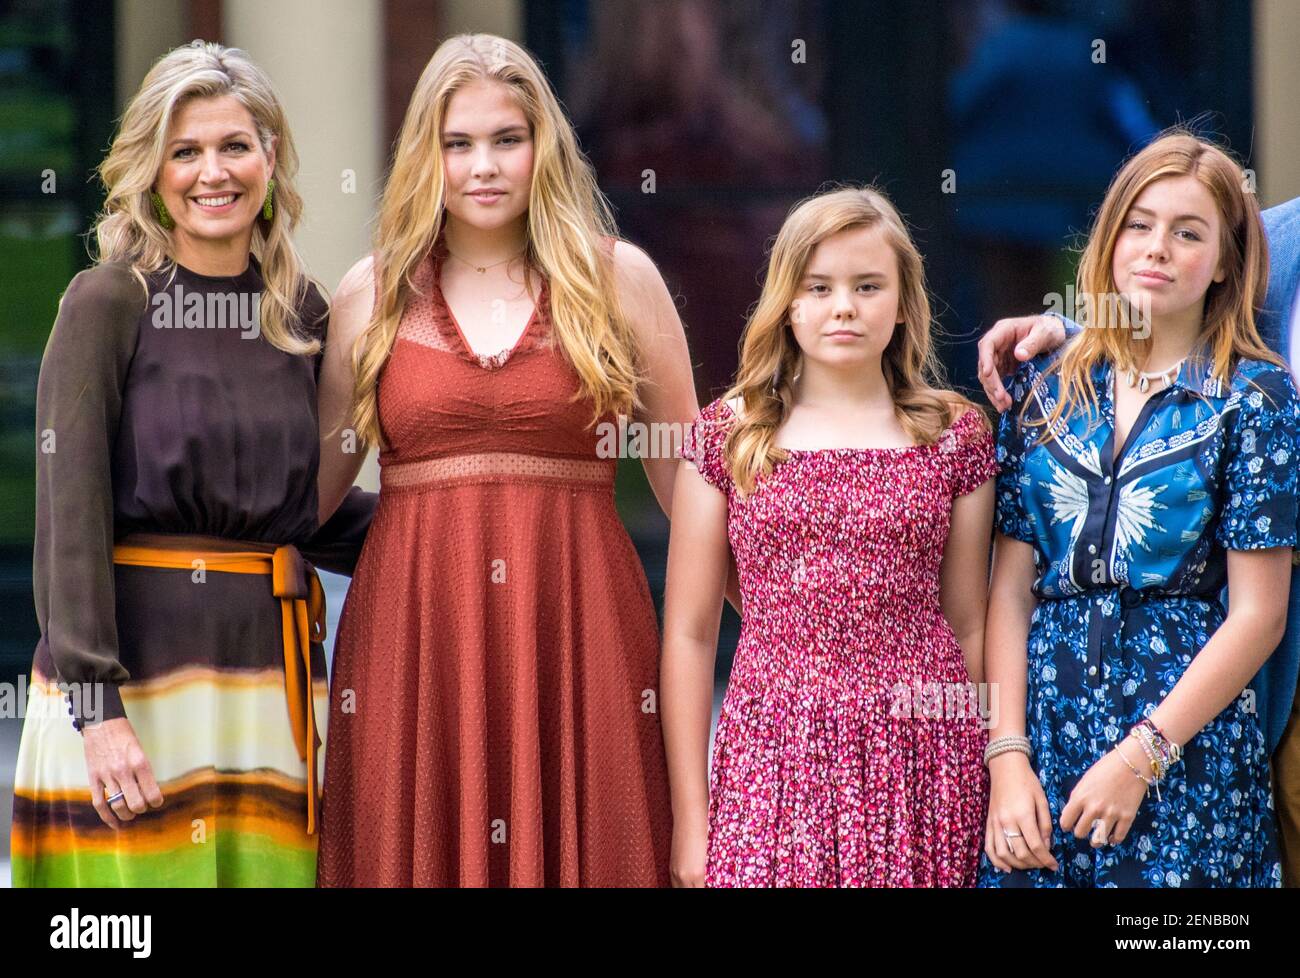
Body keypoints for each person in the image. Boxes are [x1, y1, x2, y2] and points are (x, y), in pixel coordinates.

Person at [313, 34, 712, 886]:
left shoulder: (619, 281)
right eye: (457, 143)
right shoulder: (369, 295)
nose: (482, 166)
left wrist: (791, 626)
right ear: (428, 153)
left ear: (545, 149)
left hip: (583, 629)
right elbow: (301, 499)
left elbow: (689, 483)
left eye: (507, 139)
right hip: (413, 641)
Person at [10, 41, 375, 887]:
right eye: (186, 151)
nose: (213, 172)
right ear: (153, 169)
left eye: (234, 146)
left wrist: (454, 523)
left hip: (269, 694)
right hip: (133, 690)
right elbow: (71, 511)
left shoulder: (301, 314)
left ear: (270, 158)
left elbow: (303, 511)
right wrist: (96, 711)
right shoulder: (108, 301)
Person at [977, 131, 1294, 887]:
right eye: (1140, 224)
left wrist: (1141, 757)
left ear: (1224, 263)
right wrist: (1007, 759)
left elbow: (1260, 615)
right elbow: (1011, 589)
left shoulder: (1256, 402)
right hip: (1044, 743)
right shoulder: (1045, 388)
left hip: (1185, 749)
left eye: (1189, 233)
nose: (1158, 247)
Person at [661, 186, 997, 887]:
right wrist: (693, 822)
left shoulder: (953, 436)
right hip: (773, 754)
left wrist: (981, 766)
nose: (843, 306)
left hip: (921, 754)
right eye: (820, 287)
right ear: (789, 301)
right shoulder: (729, 437)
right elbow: (690, 636)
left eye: (867, 286)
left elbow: (968, 625)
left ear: (903, 302)